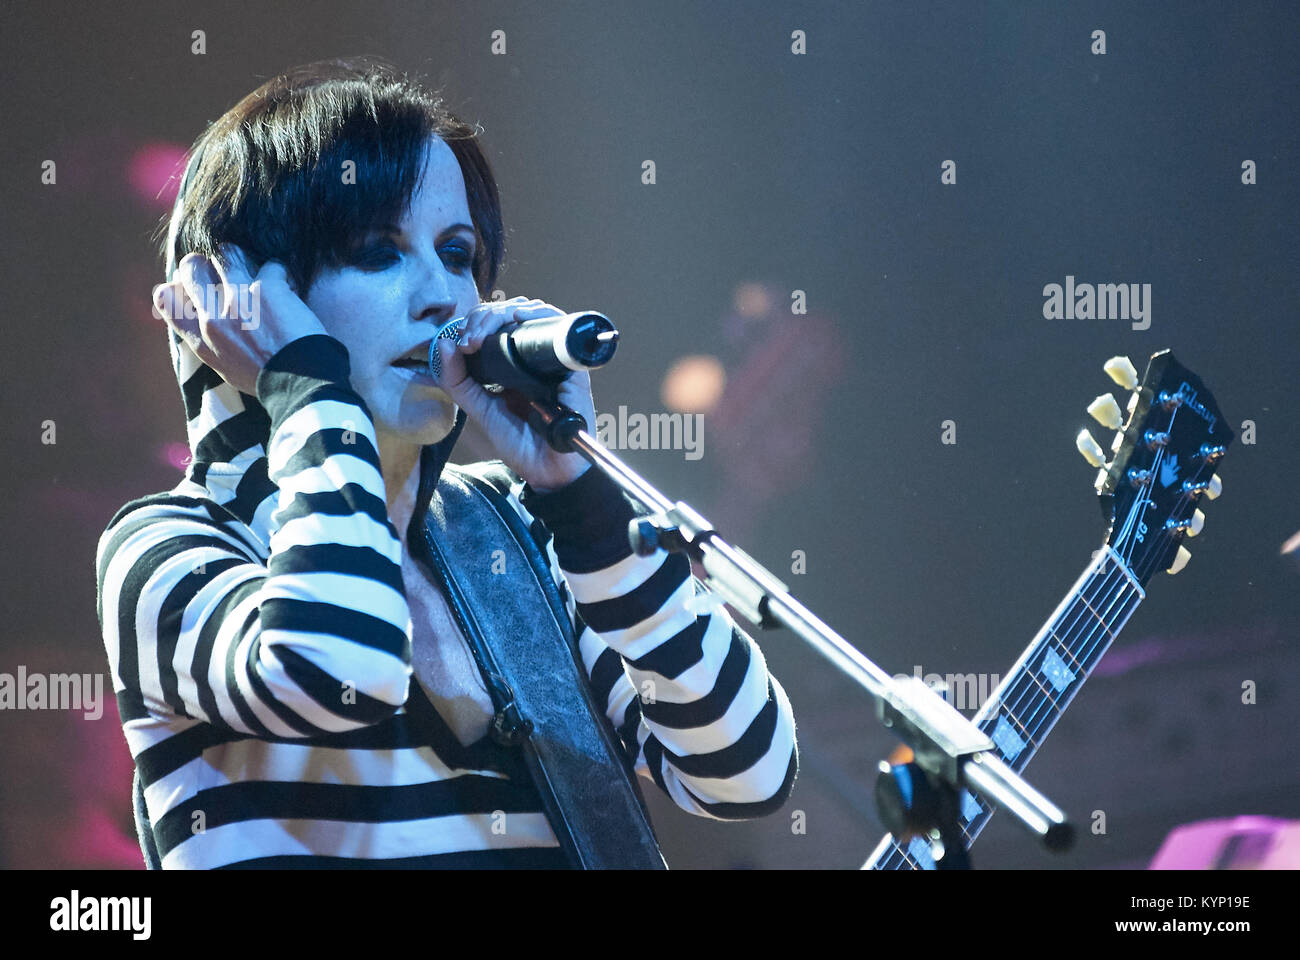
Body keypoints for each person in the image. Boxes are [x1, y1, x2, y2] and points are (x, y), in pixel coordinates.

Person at [95, 57, 797, 868]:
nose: (441, 296)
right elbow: (339, 668)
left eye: (457, 253)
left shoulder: (513, 533)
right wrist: (305, 387)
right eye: (376, 249)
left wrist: (584, 504)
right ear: (242, 296)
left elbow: (747, 771)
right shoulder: (167, 547)